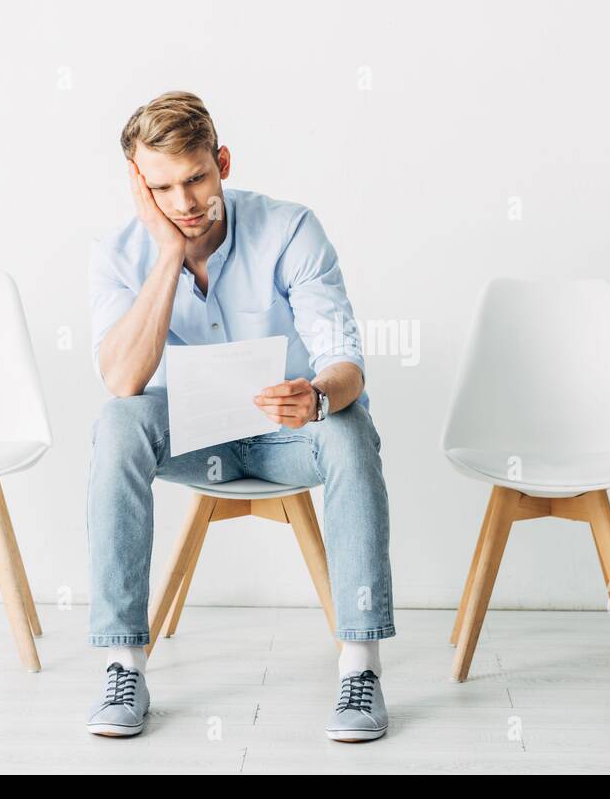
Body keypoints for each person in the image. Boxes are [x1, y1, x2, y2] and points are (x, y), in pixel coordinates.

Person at [85, 91, 393, 741]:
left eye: (196, 177)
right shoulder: (120, 253)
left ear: (222, 161)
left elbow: (346, 363)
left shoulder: (289, 228)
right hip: (192, 437)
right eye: (163, 187)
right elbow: (121, 378)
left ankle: (360, 667)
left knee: (349, 422)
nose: (186, 202)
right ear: (140, 188)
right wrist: (167, 254)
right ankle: (123, 664)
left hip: (287, 433)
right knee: (117, 423)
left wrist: (315, 395)